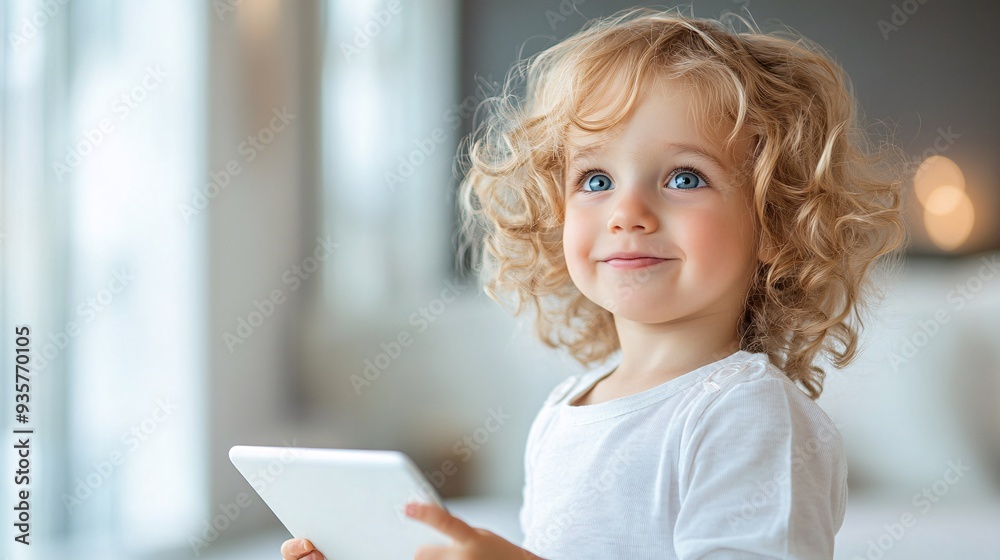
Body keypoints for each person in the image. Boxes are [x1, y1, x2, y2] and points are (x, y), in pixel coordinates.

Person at [281, 5, 907, 559]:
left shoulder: (747, 415)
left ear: (774, 221)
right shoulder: (565, 411)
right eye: (596, 180)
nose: (626, 212)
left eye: (684, 177)